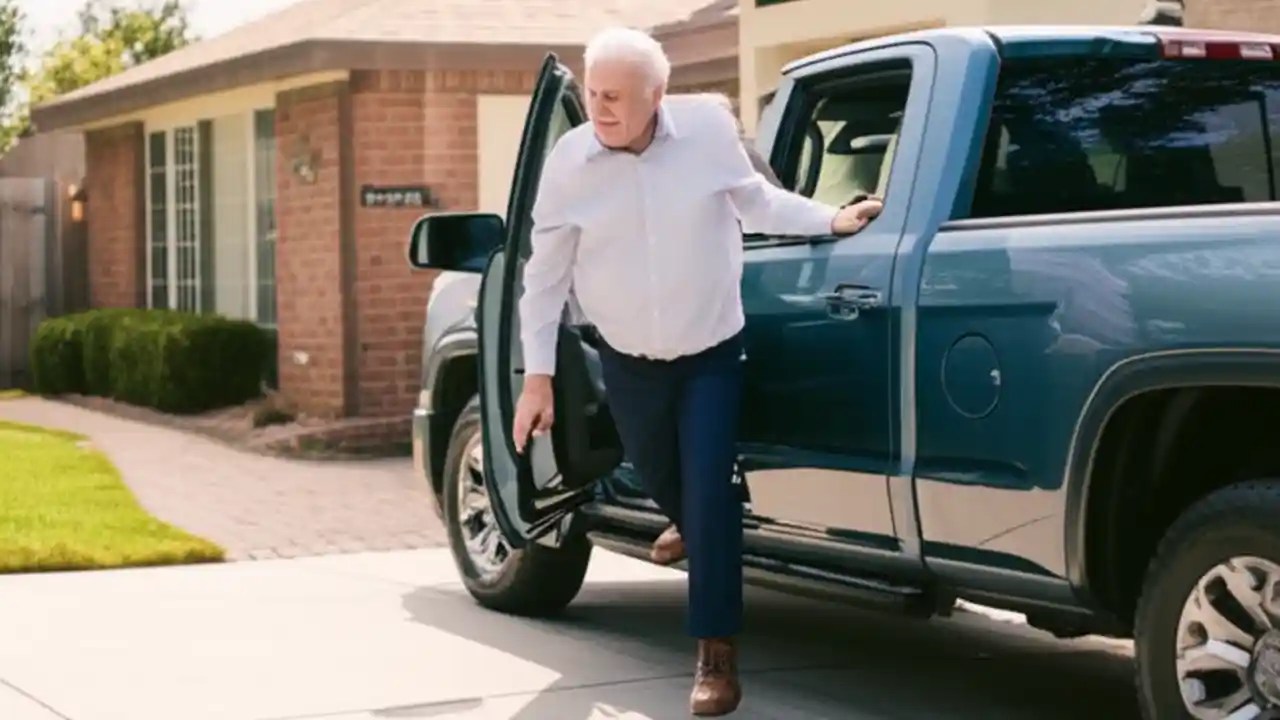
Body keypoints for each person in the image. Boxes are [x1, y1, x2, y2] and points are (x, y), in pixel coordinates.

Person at [512, 26, 883, 717]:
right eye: (593, 93)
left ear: (658, 95)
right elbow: (543, 276)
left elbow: (758, 203)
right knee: (661, 478)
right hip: (627, 361)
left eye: (617, 96)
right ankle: (693, 519)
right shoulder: (570, 162)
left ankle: (717, 653)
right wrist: (537, 376)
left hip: (711, 351)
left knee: (708, 491)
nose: (601, 108)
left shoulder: (709, 131)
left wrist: (831, 219)